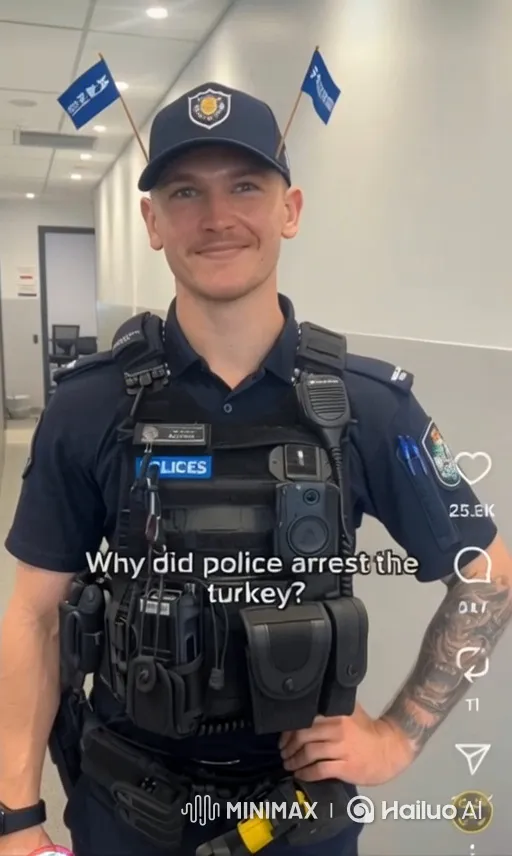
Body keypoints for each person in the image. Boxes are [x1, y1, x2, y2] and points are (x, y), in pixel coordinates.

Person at [0, 80, 510, 856]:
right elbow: (33, 616)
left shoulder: (370, 408)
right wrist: (15, 816)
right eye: (184, 191)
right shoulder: (90, 405)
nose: (217, 218)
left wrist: (398, 738)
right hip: (123, 810)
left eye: (245, 185)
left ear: (290, 209)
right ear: (153, 222)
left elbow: (489, 573)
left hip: (297, 824)